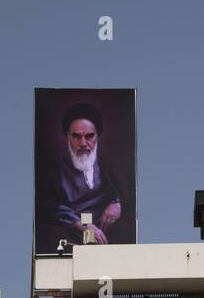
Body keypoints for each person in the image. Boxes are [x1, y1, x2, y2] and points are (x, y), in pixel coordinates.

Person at [35, 101, 132, 249]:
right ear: (67, 136)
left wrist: (117, 203)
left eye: (89, 136)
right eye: (76, 136)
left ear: (97, 137)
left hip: (106, 230)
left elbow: (129, 192)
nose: (83, 143)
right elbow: (50, 207)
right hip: (71, 230)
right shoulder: (54, 172)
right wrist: (83, 226)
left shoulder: (110, 165)